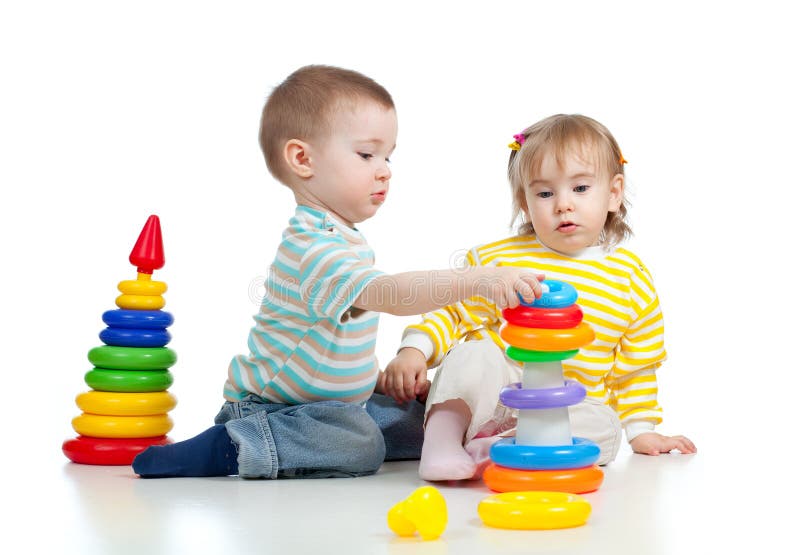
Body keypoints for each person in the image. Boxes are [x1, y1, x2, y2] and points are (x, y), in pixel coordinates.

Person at [132, 65, 542, 479]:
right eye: (367, 154)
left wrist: (379, 380)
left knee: (419, 421)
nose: (385, 170)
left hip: (339, 406)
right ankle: (235, 444)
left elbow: (335, 344)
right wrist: (478, 280)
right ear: (303, 159)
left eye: (388, 156)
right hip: (276, 409)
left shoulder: (343, 236)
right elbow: (390, 294)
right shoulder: (311, 246)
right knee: (360, 444)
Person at [383, 114, 697, 481]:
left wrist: (642, 430)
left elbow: (636, 366)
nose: (563, 204)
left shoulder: (630, 279)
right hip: (497, 398)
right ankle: (442, 440)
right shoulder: (498, 260)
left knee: (606, 427)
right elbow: (454, 315)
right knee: (472, 353)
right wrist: (415, 349)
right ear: (524, 200)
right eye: (545, 193)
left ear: (613, 193)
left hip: (566, 411)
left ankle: (499, 449)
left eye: (580, 189)